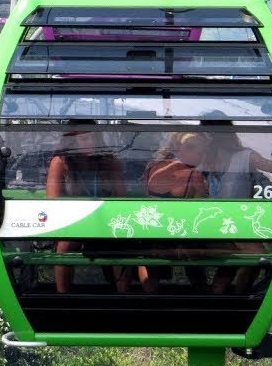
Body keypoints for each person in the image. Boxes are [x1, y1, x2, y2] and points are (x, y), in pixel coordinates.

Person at [199, 120, 272, 294]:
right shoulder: (203, 163)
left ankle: (235, 300)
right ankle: (236, 300)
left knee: (240, 265)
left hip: (236, 226)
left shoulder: (245, 157)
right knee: (260, 257)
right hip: (219, 227)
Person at [46, 123, 127, 293]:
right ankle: (63, 296)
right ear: (71, 141)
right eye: (82, 138)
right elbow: (52, 200)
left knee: (121, 244)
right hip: (74, 220)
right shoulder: (60, 162)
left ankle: (123, 297)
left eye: (92, 137)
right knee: (64, 246)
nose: (89, 141)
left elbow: (121, 197)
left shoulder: (109, 161)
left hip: (106, 219)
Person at [139, 132, 211, 293]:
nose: (203, 157)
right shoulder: (194, 175)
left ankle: (149, 299)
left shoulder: (153, 167)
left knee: (152, 271)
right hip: (180, 238)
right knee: (199, 263)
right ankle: (204, 296)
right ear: (182, 149)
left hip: (152, 235)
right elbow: (202, 211)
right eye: (201, 152)